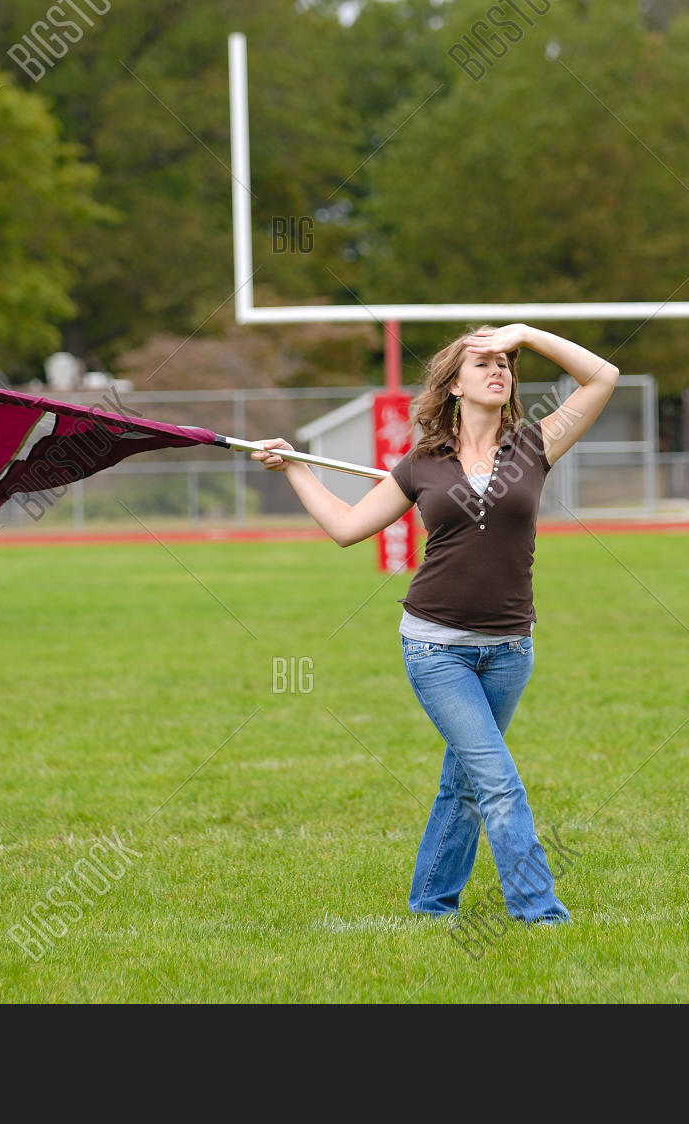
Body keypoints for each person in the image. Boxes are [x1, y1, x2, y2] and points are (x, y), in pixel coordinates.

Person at [252, 324, 620, 923]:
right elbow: (347, 528)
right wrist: (294, 468)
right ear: (453, 385)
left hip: (509, 649)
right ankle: (541, 913)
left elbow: (604, 376)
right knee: (498, 782)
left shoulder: (534, 446)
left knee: (467, 784)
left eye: (507, 363)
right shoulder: (423, 465)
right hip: (436, 648)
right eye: (484, 364)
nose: (499, 370)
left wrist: (524, 331)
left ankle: (430, 903)